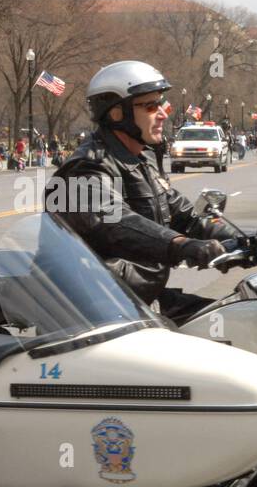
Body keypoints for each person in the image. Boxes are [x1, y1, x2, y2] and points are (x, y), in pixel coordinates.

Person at [50, 60, 240, 325]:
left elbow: (186, 216)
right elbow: (114, 220)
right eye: (150, 106)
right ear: (117, 113)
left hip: (141, 298)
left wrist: (249, 240)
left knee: (243, 318)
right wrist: (181, 245)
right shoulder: (86, 168)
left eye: (160, 104)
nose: (162, 114)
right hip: (103, 312)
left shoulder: (142, 160)